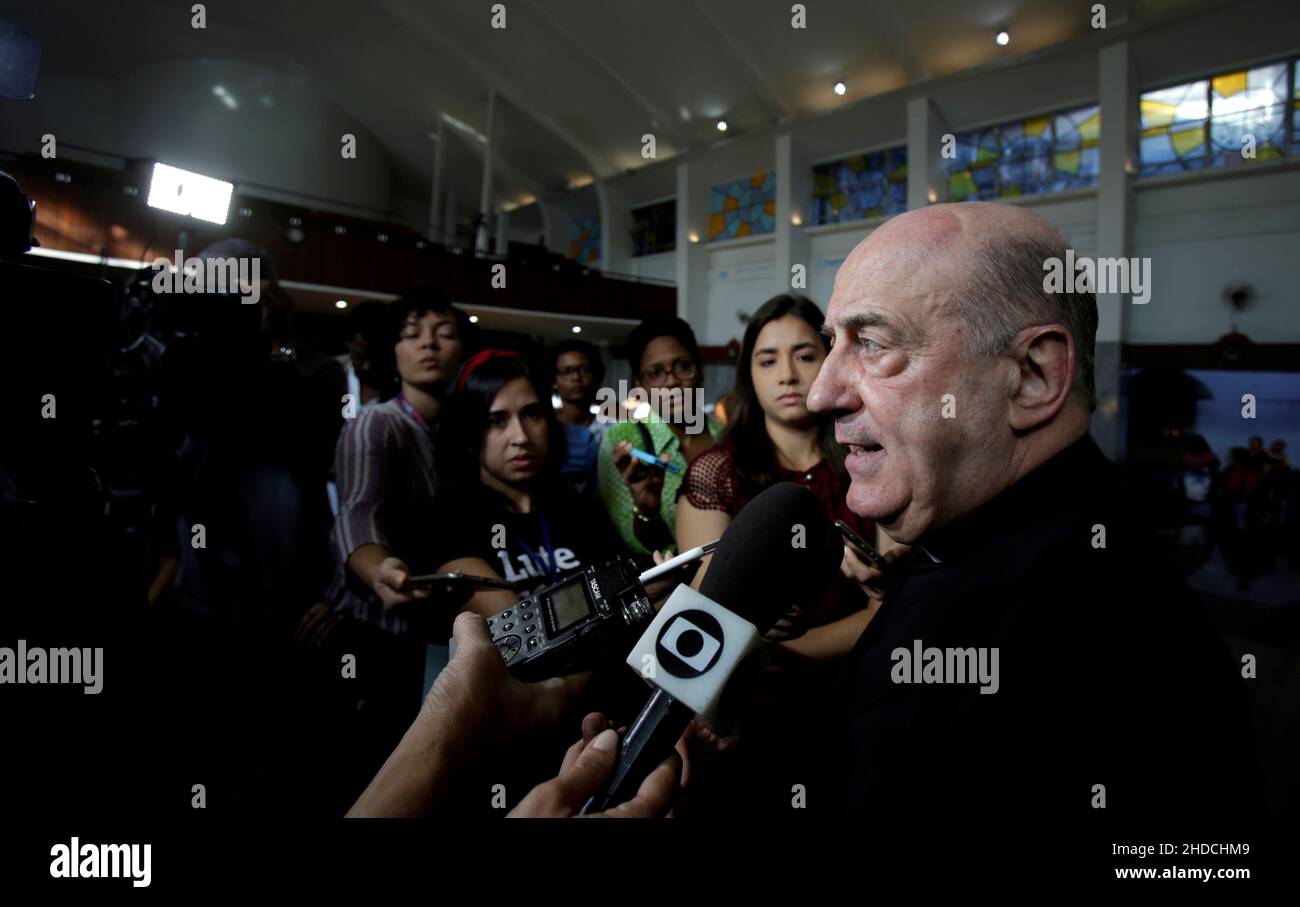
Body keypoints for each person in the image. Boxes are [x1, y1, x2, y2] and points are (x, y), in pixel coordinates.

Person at [791, 201, 1260, 818]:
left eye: (873, 343)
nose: (820, 392)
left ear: (1033, 376)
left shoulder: (1097, 649)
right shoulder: (981, 531)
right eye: (832, 344)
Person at [675, 293, 896, 657]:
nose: (787, 376)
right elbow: (710, 617)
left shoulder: (871, 459)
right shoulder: (716, 474)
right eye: (767, 361)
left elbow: (888, 606)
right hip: (746, 693)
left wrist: (780, 655)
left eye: (806, 356)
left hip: (862, 675)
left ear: (831, 361)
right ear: (748, 372)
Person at [436, 349, 632, 602]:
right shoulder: (451, 519)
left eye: (531, 414)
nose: (521, 437)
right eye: (497, 421)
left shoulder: (581, 511)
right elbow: (513, 626)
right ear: (469, 430)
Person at [596, 315, 724, 556]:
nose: (672, 381)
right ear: (639, 385)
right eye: (655, 373)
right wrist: (645, 513)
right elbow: (636, 543)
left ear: (700, 371)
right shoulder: (623, 441)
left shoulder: (726, 434)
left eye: (683, 366)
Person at [550, 338, 607, 495]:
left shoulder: (608, 428)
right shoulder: (546, 427)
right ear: (554, 381)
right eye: (567, 372)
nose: (576, 378)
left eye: (584, 370)